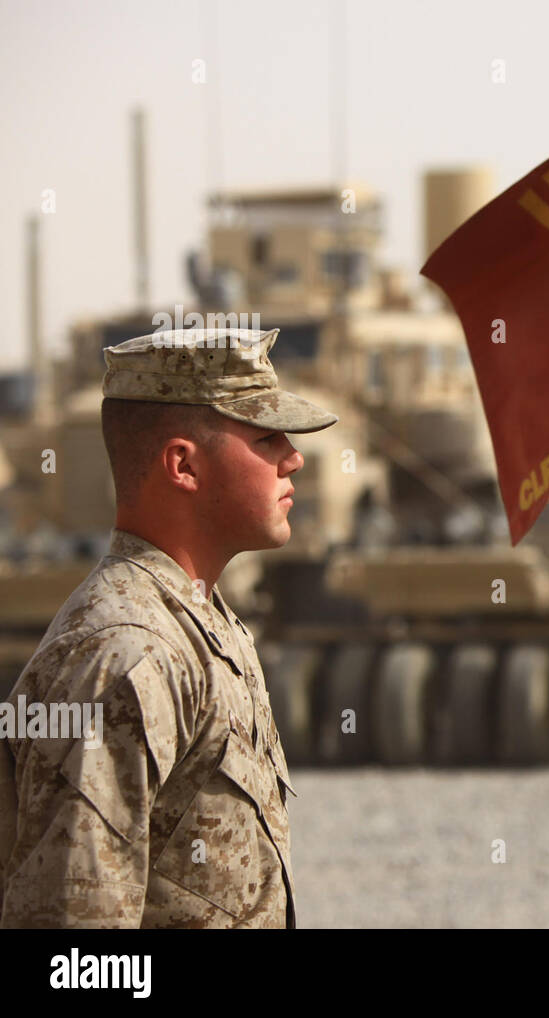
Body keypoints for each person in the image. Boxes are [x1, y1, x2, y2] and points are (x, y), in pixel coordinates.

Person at [0, 328, 337, 928]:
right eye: (265, 437)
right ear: (183, 464)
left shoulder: (203, 622)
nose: (294, 457)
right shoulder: (128, 652)